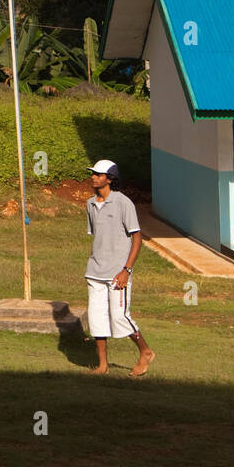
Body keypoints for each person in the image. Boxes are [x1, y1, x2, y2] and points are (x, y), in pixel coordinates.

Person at [84, 159, 155, 377]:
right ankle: (103, 365)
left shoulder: (124, 203)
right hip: (95, 272)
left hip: (118, 273)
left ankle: (145, 351)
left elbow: (137, 237)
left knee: (120, 317)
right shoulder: (90, 204)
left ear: (110, 178)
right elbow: (98, 236)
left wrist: (127, 269)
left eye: (99, 174)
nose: (94, 177)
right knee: (96, 319)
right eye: (93, 173)